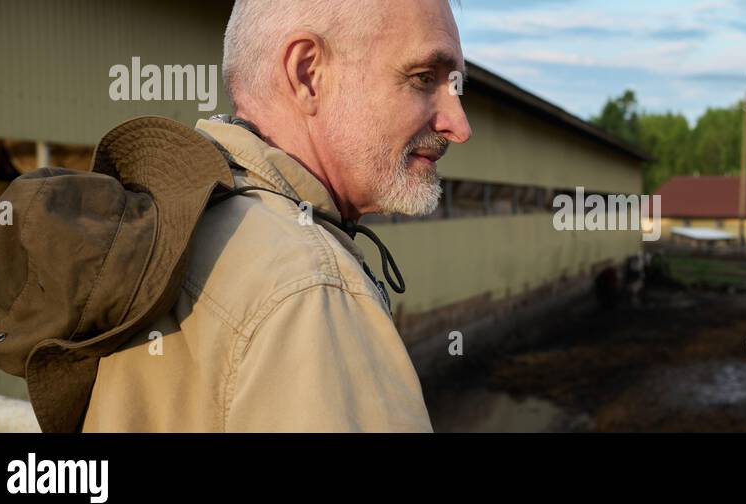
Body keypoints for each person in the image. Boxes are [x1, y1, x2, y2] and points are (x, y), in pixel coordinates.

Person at [82, 0, 472, 431]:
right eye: (423, 79)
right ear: (308, 74)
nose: (459, 124)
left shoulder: (173, 213)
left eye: (455, 86)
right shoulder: (311, 288)